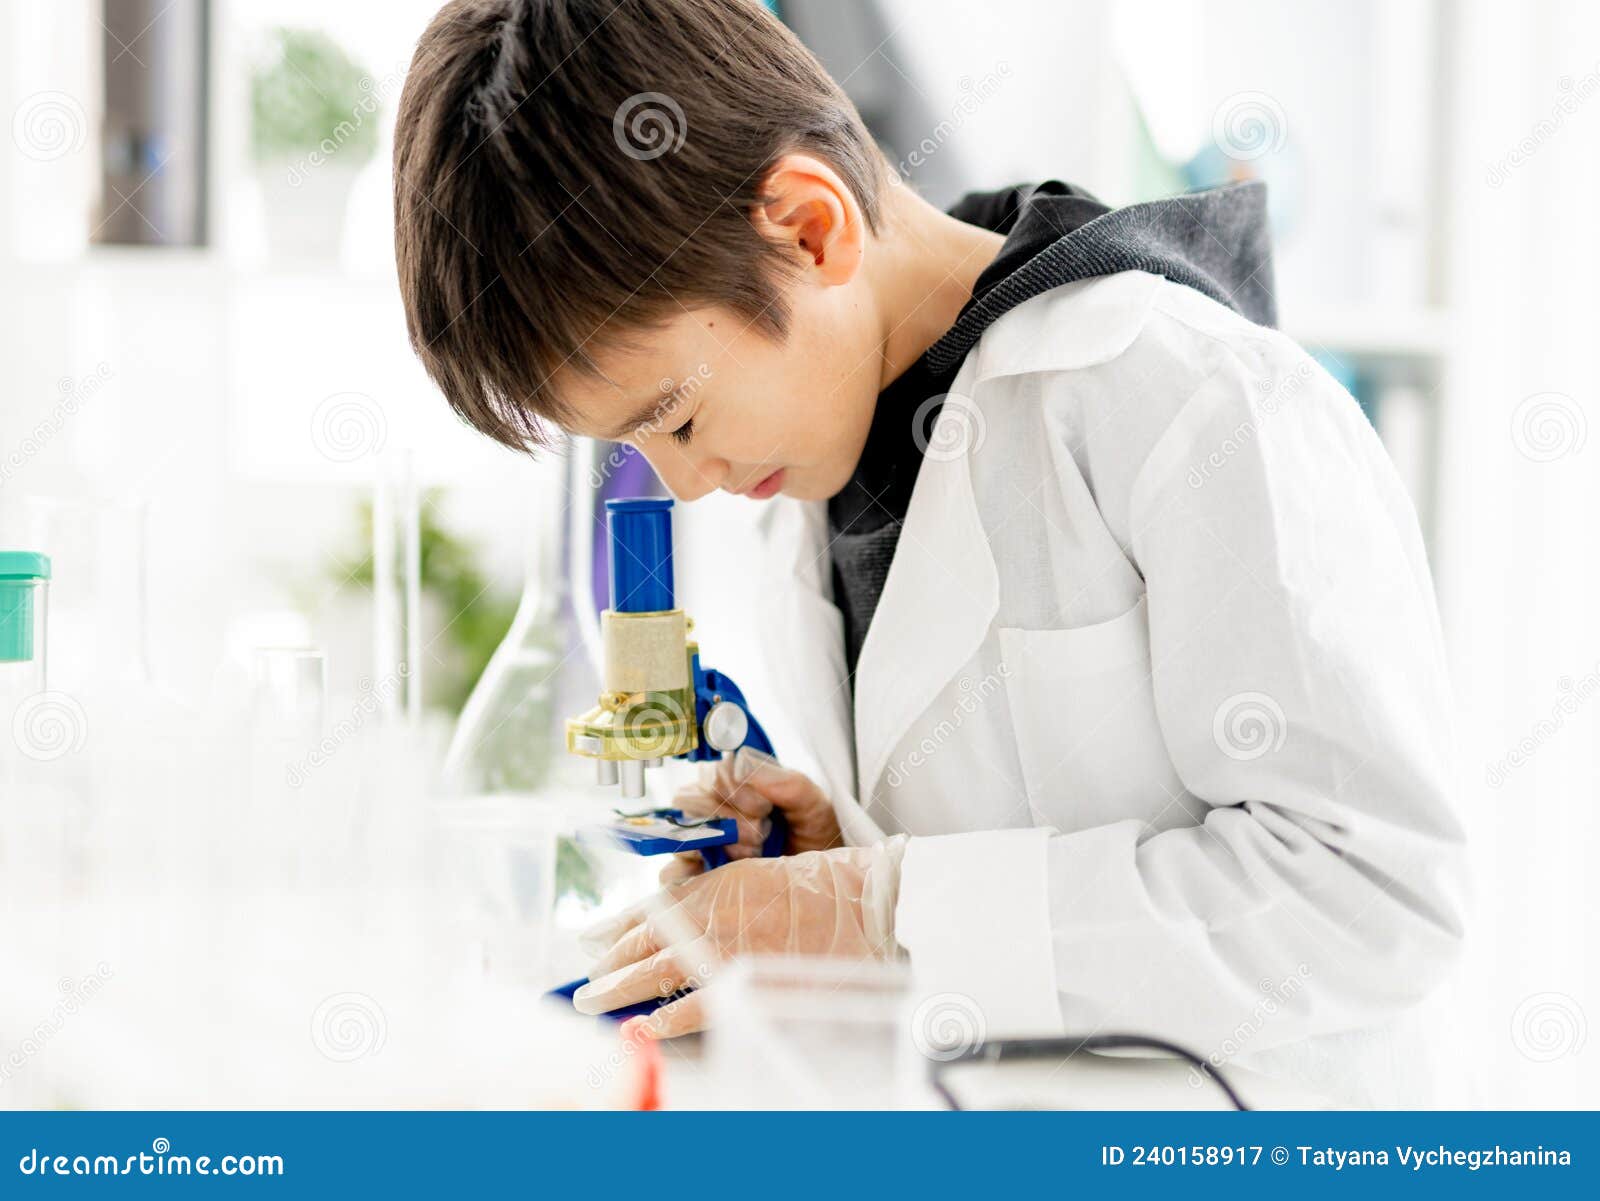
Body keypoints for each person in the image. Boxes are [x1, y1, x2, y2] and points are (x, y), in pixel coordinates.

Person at [392, 0, 1469, 1106]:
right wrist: (830, 865)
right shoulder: (814, 465)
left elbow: (1369, 897)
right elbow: (1006, 847)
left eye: (672, 416)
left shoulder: (1185, 395)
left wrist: (881, 911)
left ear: (811, 229)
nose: (681, 482)